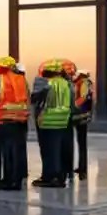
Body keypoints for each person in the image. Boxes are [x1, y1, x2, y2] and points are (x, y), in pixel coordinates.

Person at [0, 56, 31, 190]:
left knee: (0, 151)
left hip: (2, 120)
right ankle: (15, 180)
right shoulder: (22, 80)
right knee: (15, 151)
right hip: (18, 120)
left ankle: (0, 179)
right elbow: (27, 98)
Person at [31, 59, 73, 188]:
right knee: (60, 149)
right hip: (63, 120)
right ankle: (60, 176)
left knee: (49, 151)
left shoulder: (47, 84)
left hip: (48, 121)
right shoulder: (66, 84)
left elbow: (36, 100)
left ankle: (50, 177)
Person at [71, 69, 93, 180]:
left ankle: (82, 168)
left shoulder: (84, 83)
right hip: (83, 115)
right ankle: (81, 166)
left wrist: (73, 106)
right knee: (81, 143)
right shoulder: (85, 83)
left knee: (81, 143)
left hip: (81, 116)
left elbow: (82, 98)